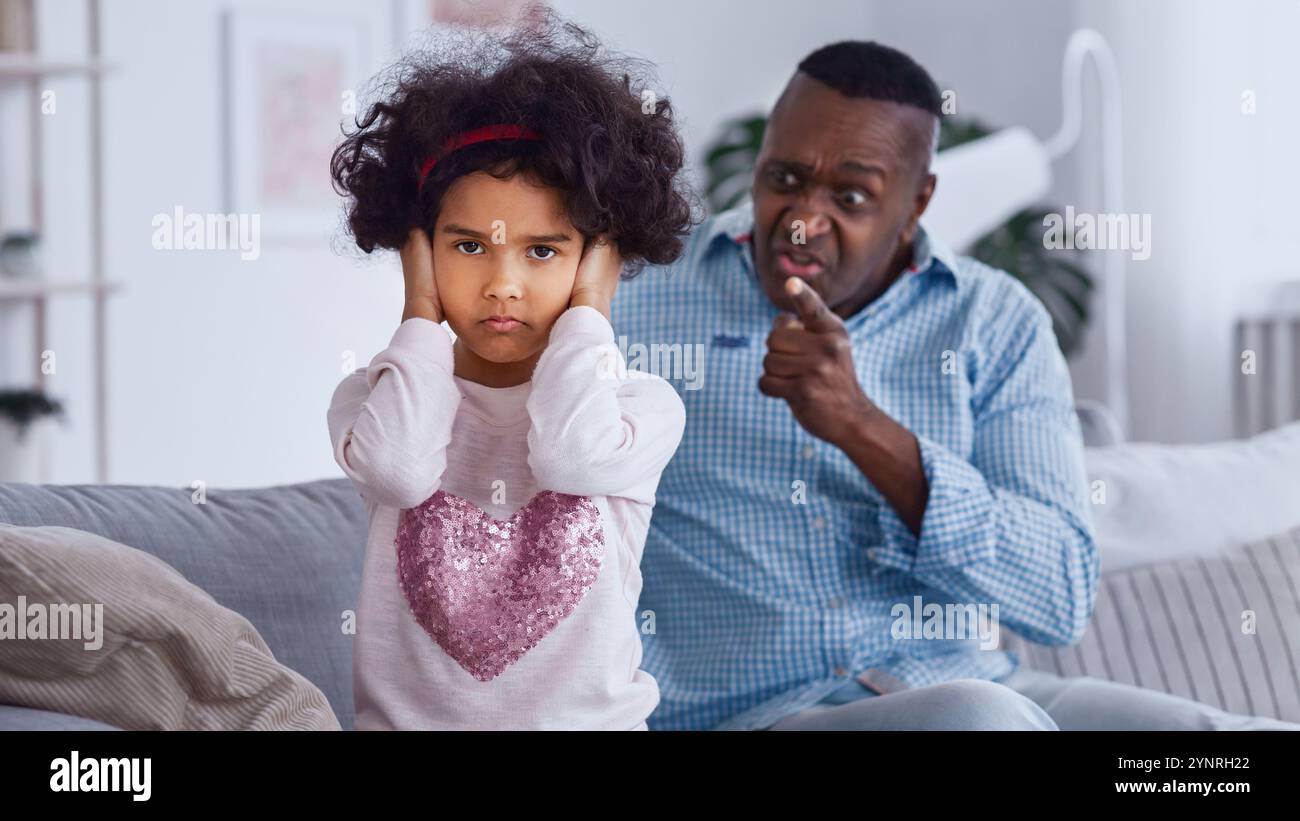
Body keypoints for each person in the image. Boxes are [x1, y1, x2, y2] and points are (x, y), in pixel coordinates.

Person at [613, 39, 1299, 731]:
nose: (802, 221)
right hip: (760, 711)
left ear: (918, 202)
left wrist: (862, 426)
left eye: (850, 196)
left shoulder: (995, 323)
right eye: (784, 179)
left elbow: (1056, 595)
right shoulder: (640, 298)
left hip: (969, 678)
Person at [325, 13, 694, 730]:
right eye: (468, 247)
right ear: (419, 247)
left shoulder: (640, 408)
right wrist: (419, 314)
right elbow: (400, 471)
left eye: (543, 251)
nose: (503, 283)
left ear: (599, 255)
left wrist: (590, 309)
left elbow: (569, 455)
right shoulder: (373, 398)